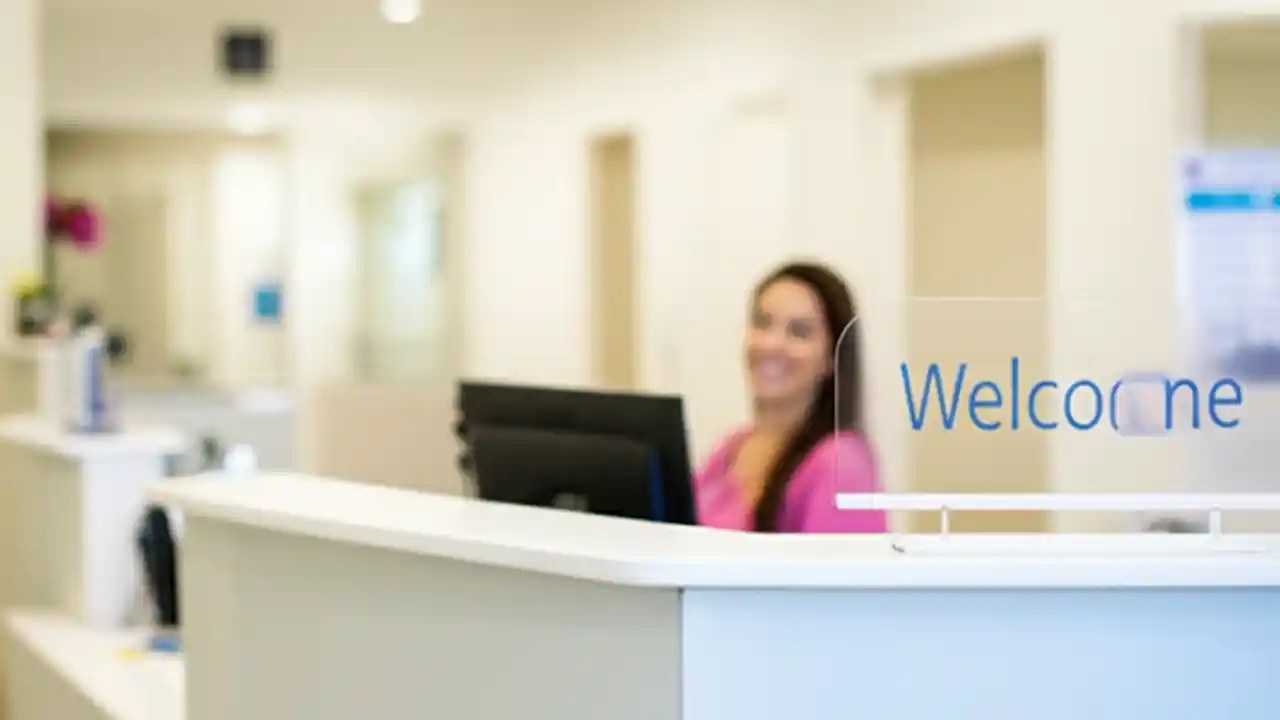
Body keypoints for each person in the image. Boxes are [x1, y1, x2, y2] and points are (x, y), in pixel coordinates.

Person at [694, 261, 887, 533]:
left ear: (832, 357)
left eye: (799, 331)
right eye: (763, 323)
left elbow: (840, 574)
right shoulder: (731, 447)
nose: (771, 344)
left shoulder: (840, 465)